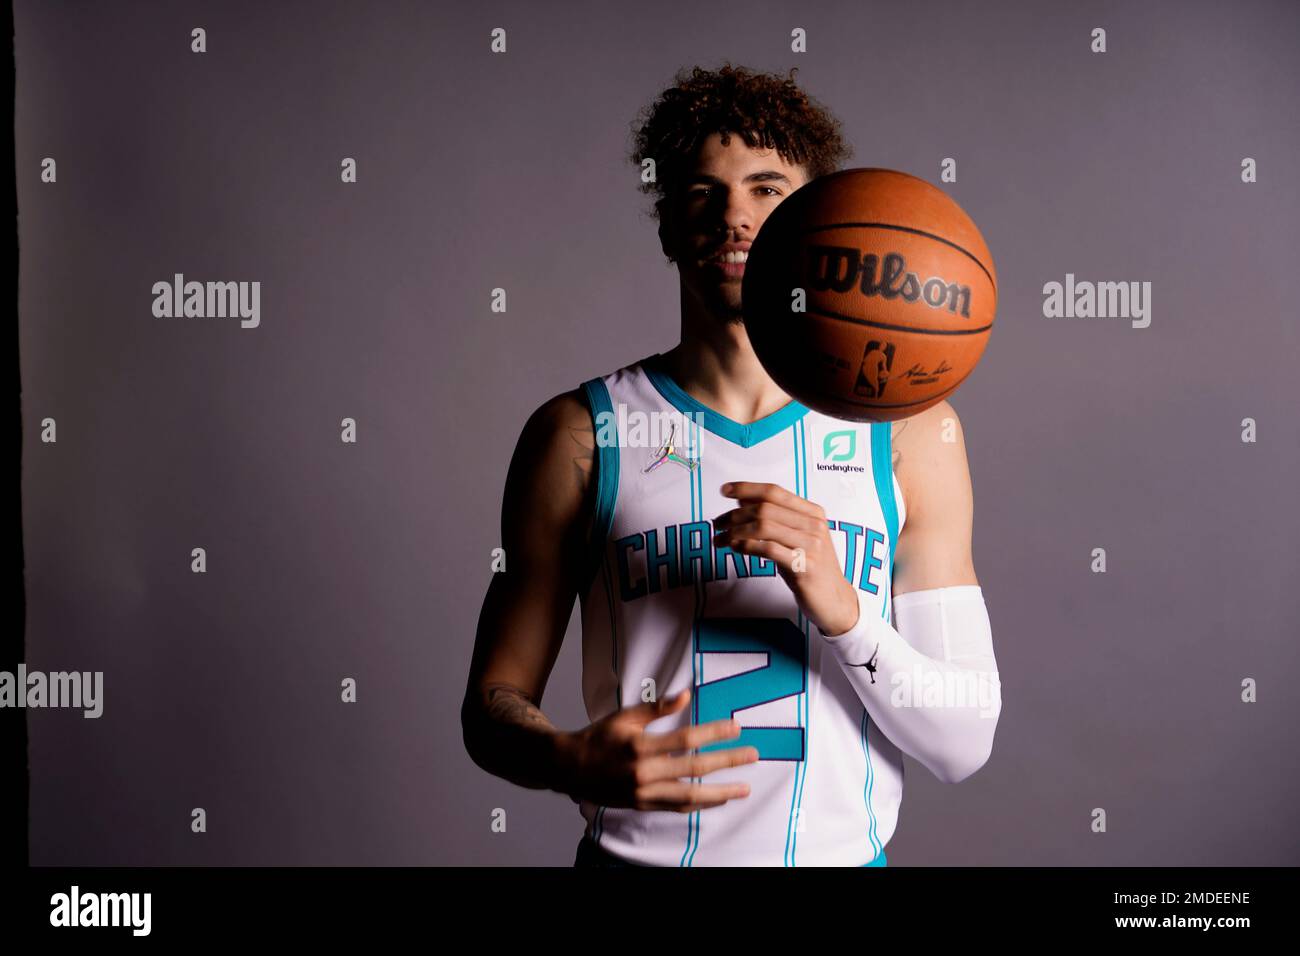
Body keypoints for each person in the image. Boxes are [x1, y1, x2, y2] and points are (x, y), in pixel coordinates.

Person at [461, 63, 1001, 867]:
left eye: (765, 188)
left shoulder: (912, 434)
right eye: (702, 193)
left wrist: (845, 612)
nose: (735, 218)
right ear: (668, 223)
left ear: (817, 216)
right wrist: (567, 759)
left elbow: (963, 742)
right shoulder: (578, 435)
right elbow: (491, 706)